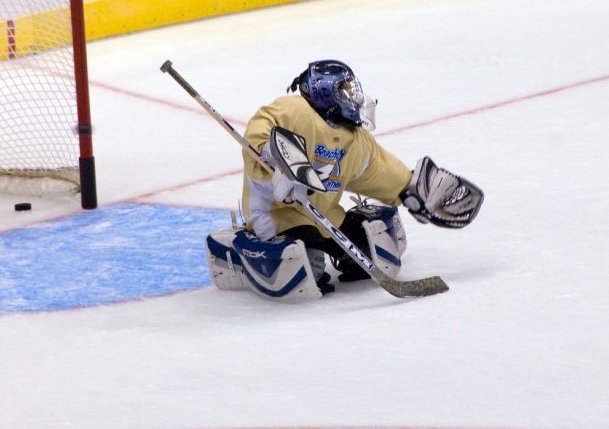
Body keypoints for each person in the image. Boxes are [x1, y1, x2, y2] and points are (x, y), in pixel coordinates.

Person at [204, 60, 482, 303]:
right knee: (302, 268)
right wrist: (270, 154)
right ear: (324, 91)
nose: (353, 97)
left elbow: (376, 169)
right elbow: (261, 127)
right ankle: (239, 251)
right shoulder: (295, 110)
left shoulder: (353, 138)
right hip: (278, 214)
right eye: (345, 91)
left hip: (325, 213)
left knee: (375, 255)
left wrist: (407, 189)